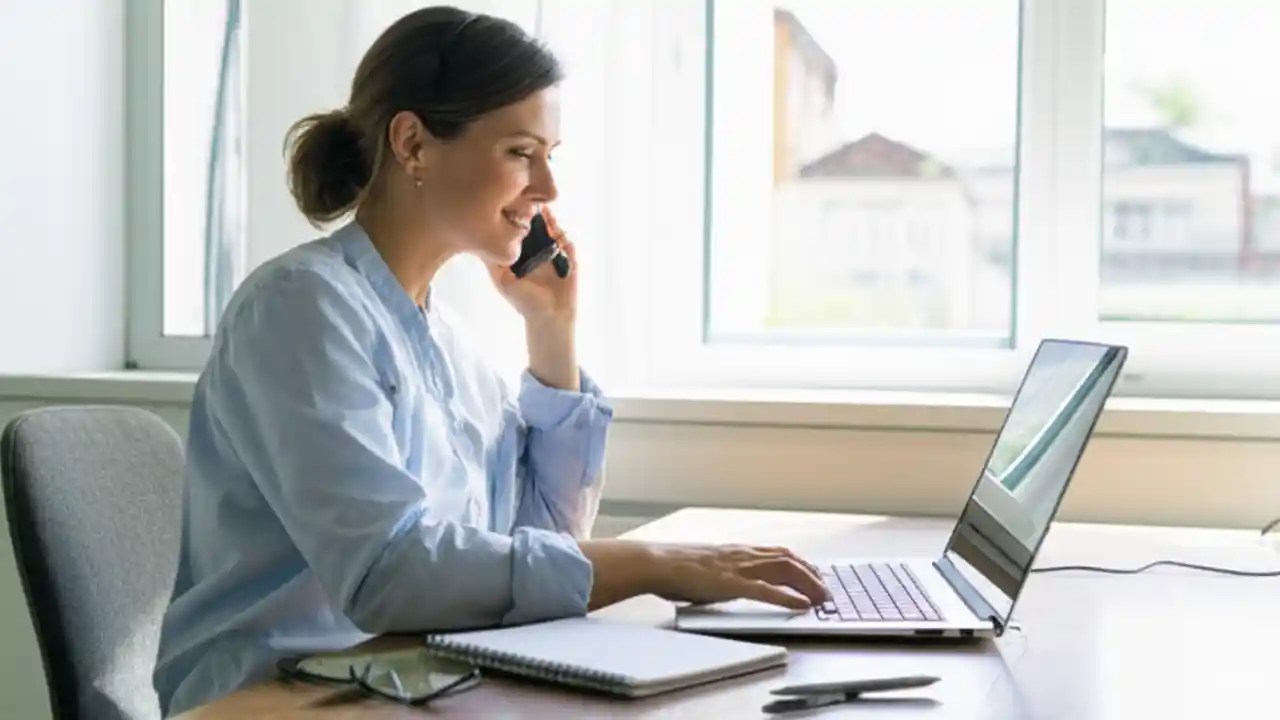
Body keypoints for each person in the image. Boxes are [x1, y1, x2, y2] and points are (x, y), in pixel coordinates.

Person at [153, 6, 828, 715]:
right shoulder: (301, 310)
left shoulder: (452, 347)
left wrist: (553, 334)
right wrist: (655, 565)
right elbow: (389, 574)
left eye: (550, 155)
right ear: (413, 143)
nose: (547, 188)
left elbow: (542, 547)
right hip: (271, 701)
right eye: (519, 152)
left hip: (406, 685)